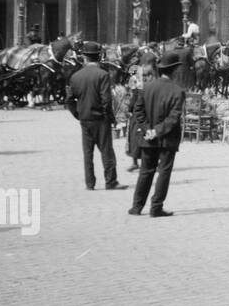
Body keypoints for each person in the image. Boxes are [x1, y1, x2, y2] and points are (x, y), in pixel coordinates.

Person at [129, 48, 185, 218]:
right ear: (175, 70)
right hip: (167, 138)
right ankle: (156, 207)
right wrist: (157, 131)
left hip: (148, 138)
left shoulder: (147, 88)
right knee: (164, 172)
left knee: (146, 171)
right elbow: (174, 117)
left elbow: (137, 111)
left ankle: (137, 206)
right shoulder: (177, 91)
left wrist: (148, 130)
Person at [67, 40, 127, 191]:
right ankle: (110, 181)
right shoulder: (103, 74)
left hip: (85, 119)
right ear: (98, 57)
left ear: (85, 58)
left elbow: (69, 100)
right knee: (106, 151)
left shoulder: (76, 76)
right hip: (100, 119)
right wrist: (111, 118)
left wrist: (78, 114)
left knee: (88, 153)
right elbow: (106, 100)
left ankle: (90, 183)